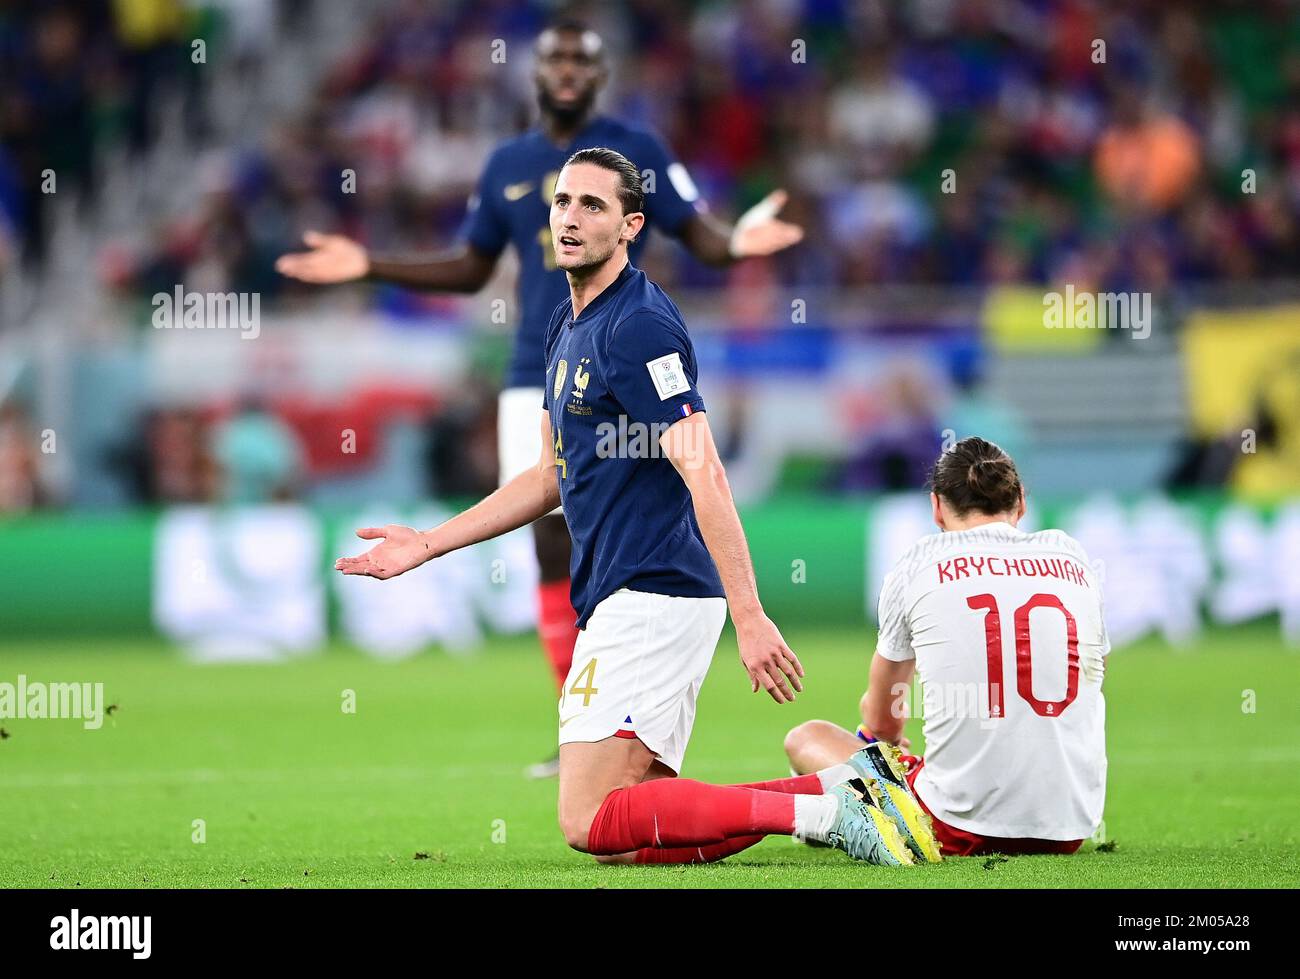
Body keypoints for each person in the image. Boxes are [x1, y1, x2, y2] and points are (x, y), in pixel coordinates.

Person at [334, 147, 926, 866]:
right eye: (562, 203)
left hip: (654, 592)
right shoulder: (564, 325)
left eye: (593, 205)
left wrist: (750, 613)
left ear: (631, 226)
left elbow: (703, 467)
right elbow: (551, 476)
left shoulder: (638, 326)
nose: (571, 218)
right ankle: (852, 790)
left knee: (585, 818)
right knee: (634, 833)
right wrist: (428, 543)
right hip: (626, 594)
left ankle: (829, 811)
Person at [277, 20, 802, 778]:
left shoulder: (639, 163)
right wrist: (369, 262)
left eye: (580, 59)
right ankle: (583, 714)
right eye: (553, 57)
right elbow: (467, 266)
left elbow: (702, 237)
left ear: (601, 72)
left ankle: (617, 716)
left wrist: (737, 243)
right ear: (535, 71)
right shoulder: (511, 172)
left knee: (611, 517)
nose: (569, 215)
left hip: (618, 372)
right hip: (543, 364)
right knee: (552, 532)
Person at [785, 437, 1109, 857]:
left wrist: (880, 747)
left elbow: (883, 721)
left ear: (937, 507)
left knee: (807, 737)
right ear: (1021, 502)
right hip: (1069, 827)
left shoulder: (920, 562)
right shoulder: (1072, 557)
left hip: (955, 824)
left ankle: (842, 816)